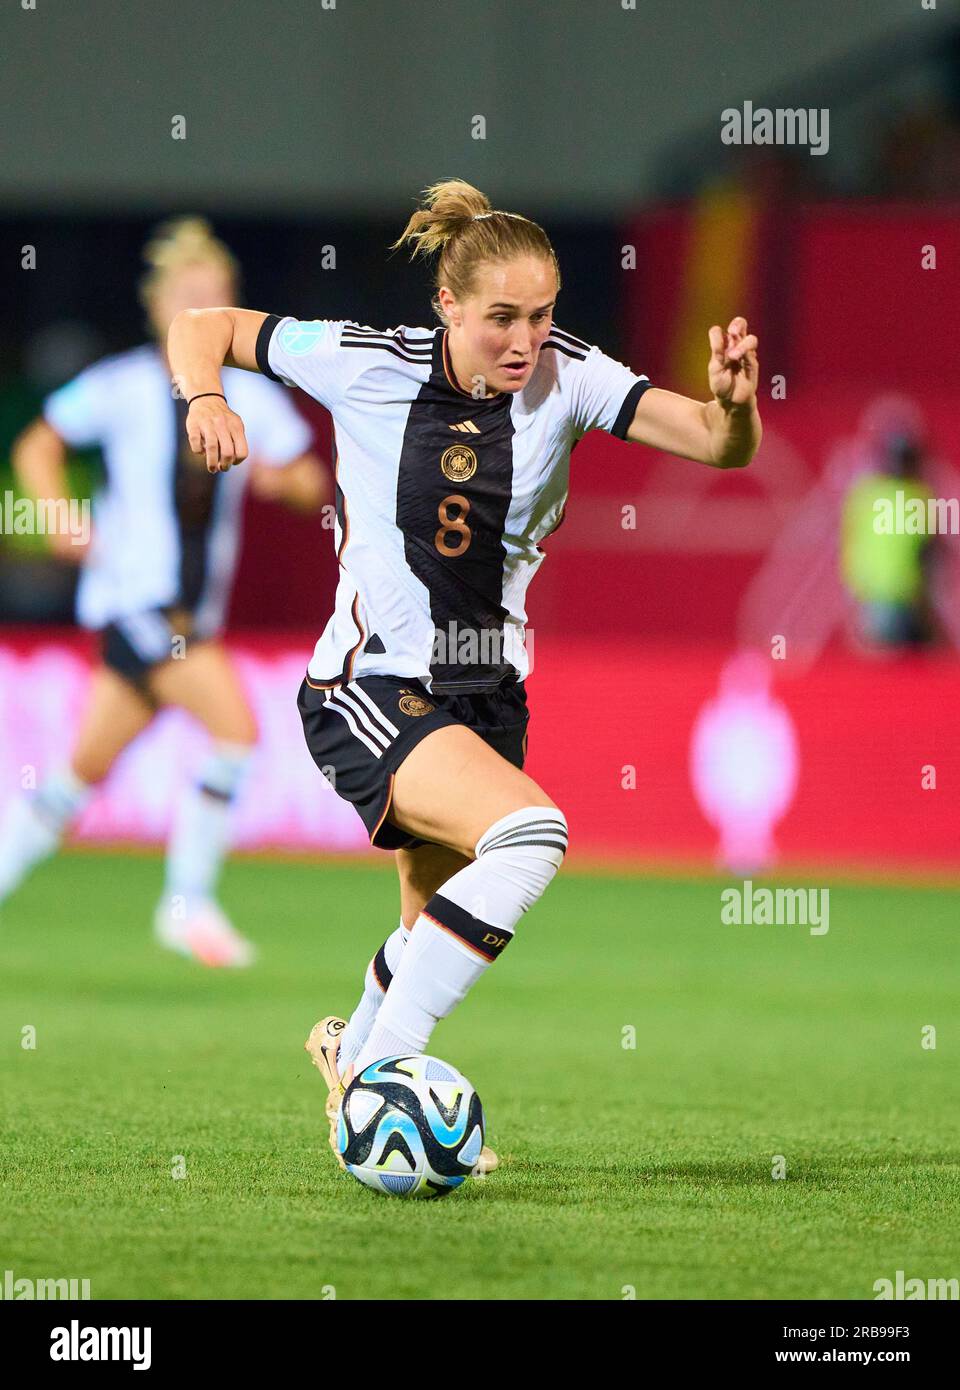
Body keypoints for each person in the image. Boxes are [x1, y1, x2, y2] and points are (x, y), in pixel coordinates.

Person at [167, 179, 760, 1169]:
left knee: (426, 931)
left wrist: (735, 407)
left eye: (542, 315)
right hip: (369, 688)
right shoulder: (366, 362)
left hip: (489, 699)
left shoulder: (568, 377)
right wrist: (206, 397)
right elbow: (203, 323)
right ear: (447, 306)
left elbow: (712, 444)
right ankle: (387, 1077)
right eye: (502, 318)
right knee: (532, 836)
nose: (526, 339)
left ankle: (354, 1050)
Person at [1, 218, 330, 966]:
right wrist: (56, 517)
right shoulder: (118, 387)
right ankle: (188, 905)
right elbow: (38, 443)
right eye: (188, 295)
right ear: (158, 307)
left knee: (76, 777)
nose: (201, 309)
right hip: (137, 600)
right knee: (237, 732)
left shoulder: (248, 393)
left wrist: (283, 479)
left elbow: (311, 477)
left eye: (215, 296)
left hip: (189, 611)